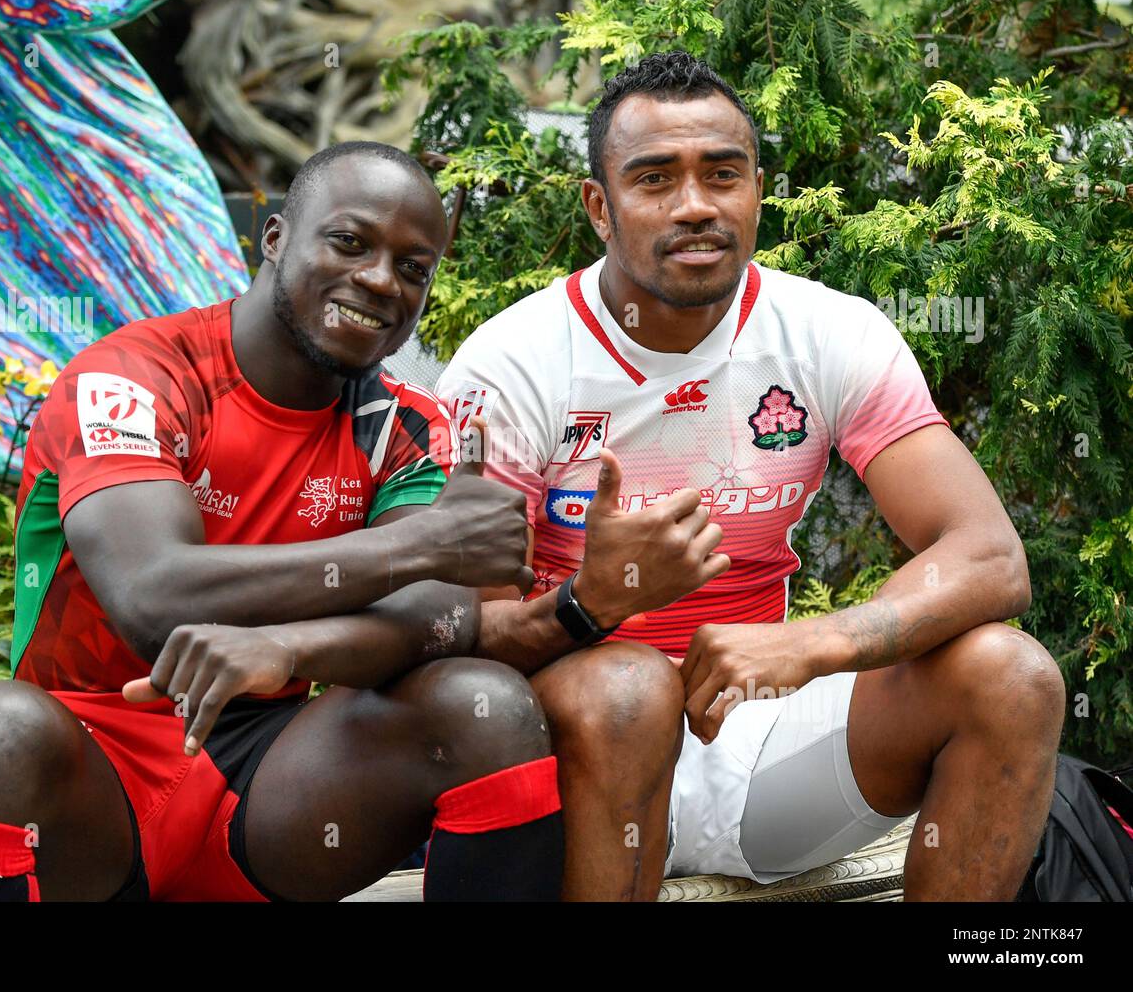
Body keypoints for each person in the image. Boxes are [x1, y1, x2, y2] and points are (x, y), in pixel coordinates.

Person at [436, 51, 1065, 901]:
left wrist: (814, 641)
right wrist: (597, 600)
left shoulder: (828, 332)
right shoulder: (513, 364)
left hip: (758, 745)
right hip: (583, 759)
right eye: (654, 179)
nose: (695, 206)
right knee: (631, 687)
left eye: (721, 175)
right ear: (599, 206)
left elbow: (989, 557)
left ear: (756, 191)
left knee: (1014, 677)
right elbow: (458, 631)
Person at [0, 141, 564, 902]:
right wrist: (412, 546)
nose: (381, 280)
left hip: (269, 784)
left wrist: (284, 649)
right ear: (274, 238)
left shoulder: (406, 427)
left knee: (482, 705)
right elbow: (155, 599)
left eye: (414, 269)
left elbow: (438, 618)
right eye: (350, 242)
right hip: (87, 767)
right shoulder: (136, 375)